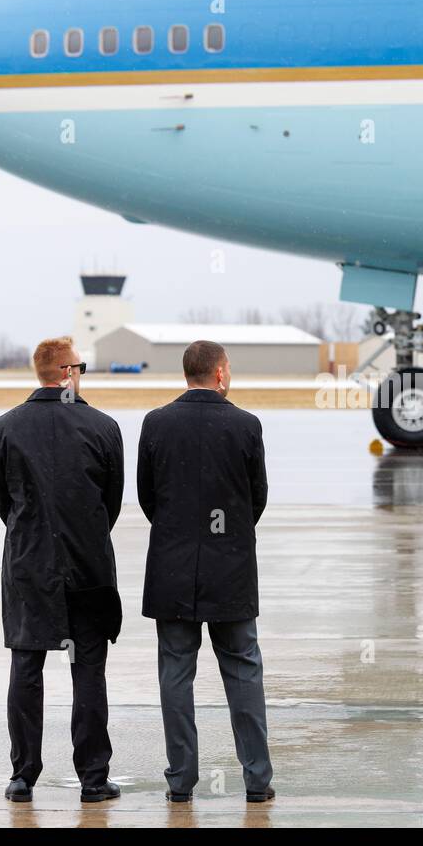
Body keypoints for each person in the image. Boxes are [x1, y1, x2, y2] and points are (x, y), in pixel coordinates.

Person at [0, 336, 125, 805]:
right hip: (88, 566)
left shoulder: (5, 427)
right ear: (67, 372)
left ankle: (23, 776)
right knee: (88, 668)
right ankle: (92, 778)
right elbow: (112, 503)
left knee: (26, 666)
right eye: (79, 366)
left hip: (29, 565)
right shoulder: (103, 427)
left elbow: (4, 504)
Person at [138, 340, 274, 804]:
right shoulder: (246, 425)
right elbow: (256, 498)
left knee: (175, 676)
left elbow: (147, 498)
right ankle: (257, 779)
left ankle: (181, 781)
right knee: (243, 673)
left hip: (172, 571)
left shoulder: (155, 423)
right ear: (219, 374)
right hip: (231, 571)